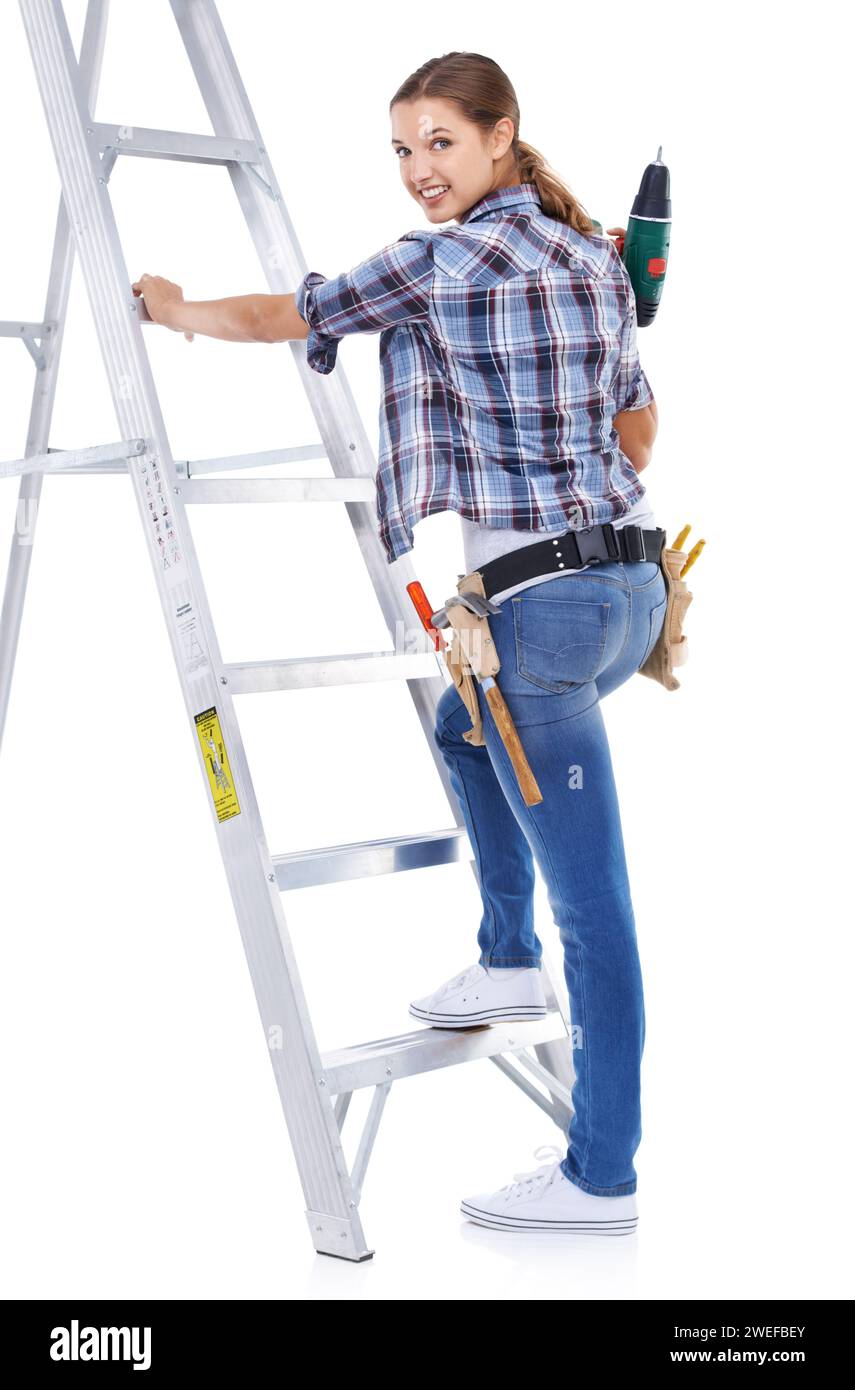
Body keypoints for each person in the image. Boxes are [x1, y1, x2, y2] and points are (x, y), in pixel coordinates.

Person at [132, 51, 666, 1238]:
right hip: (630, 598)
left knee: (602, 914)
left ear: (499, 135)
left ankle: (602, 1178)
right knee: (458, 725)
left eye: (440, 143)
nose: (421, 171)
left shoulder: (436, 262)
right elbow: (639, 418)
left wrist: (169, 311)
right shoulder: (593, 258)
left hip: (542, 615)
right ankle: (506, 951)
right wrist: (575, 487)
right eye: (403, 150)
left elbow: (287, 315)